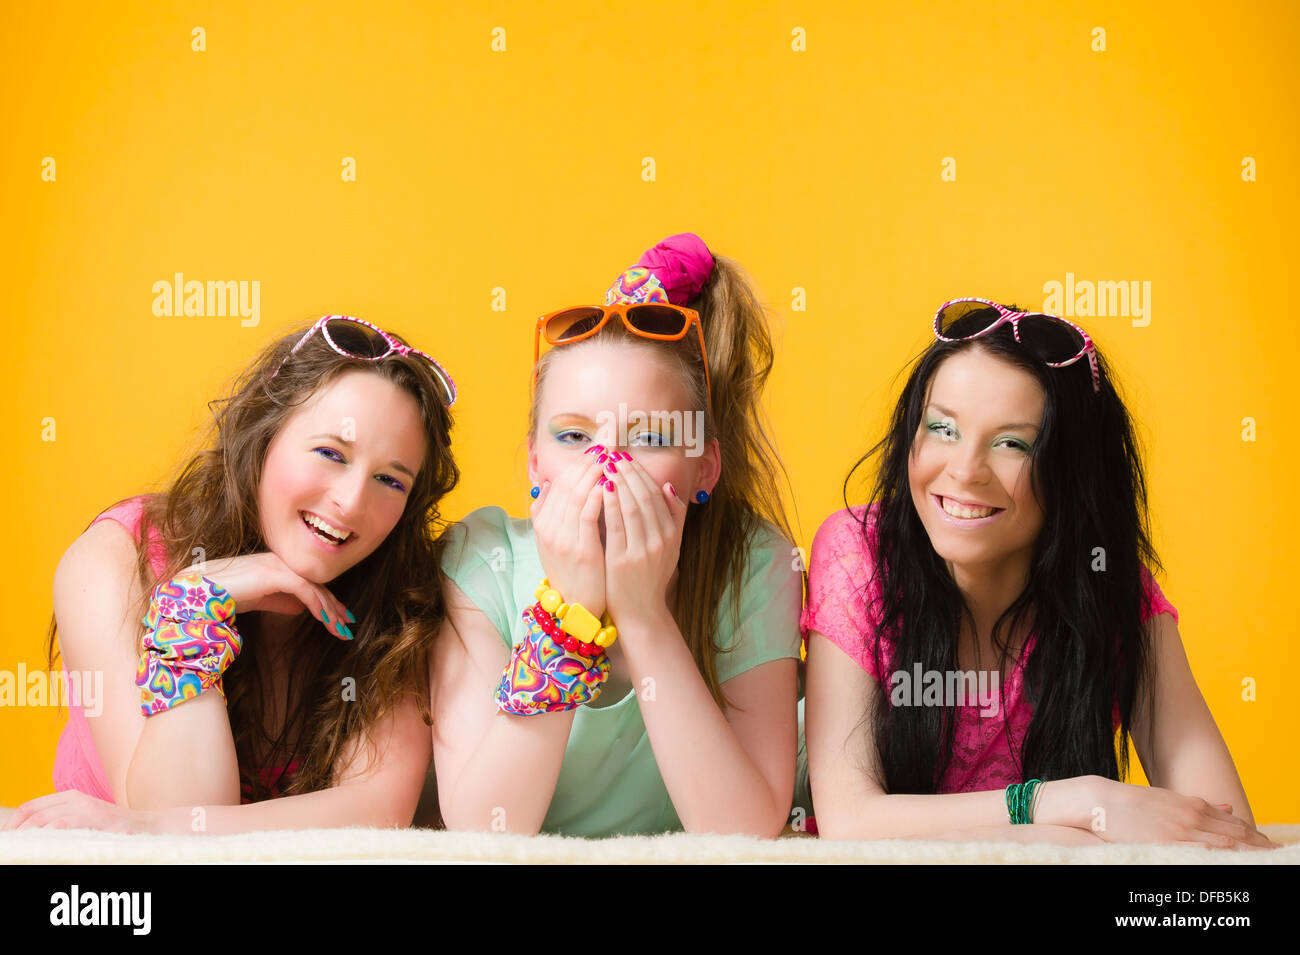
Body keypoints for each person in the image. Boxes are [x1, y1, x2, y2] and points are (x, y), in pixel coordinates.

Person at [803, 297, 1277, 848]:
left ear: (1071, 471)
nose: (963, 471)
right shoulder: (857, 554)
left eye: (1012, 443)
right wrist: (1074, 803)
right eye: (943, 428)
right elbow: (850, 822)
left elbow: (1227, 832)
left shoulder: (1109, 584)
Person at [4, 315, 459, 834]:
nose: (352, 502)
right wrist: (195, 603)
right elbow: (178, 816)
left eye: (389, 480)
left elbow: (376, 811)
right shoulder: (114, 560)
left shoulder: (396, 593)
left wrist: (157, 826)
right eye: (331, 453)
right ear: (262, 437)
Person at [429, 233, 804, 837]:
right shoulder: (481, 559)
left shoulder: (756, 564)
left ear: (705, 466)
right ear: (532, 462)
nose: (608, 465)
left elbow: (746, 829)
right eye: (574, 437)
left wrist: (643, 611)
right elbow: (484, 829)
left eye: (651, 438)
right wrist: (571, 614)